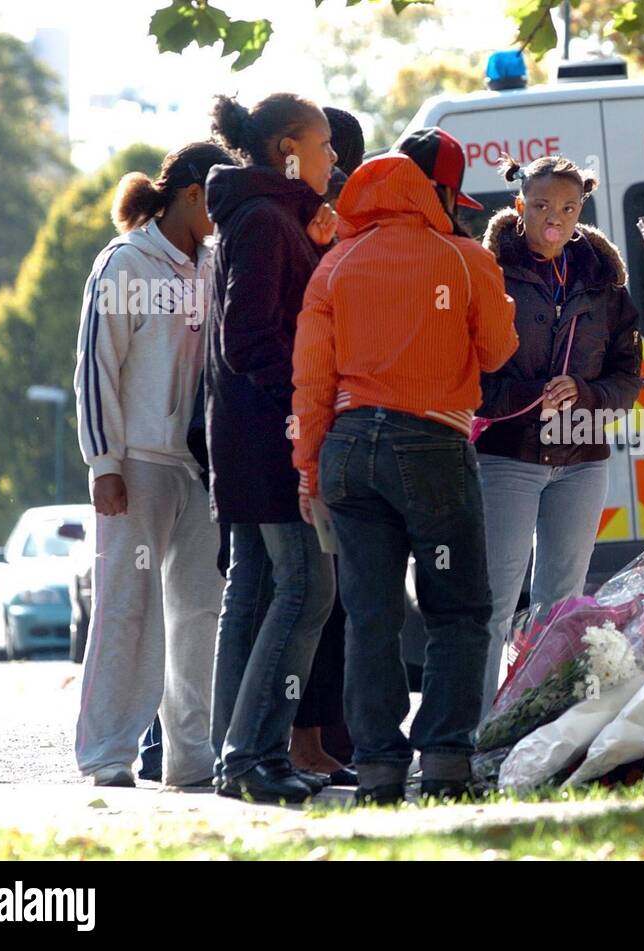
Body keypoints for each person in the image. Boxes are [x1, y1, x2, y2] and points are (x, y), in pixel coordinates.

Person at [292, 127, 518, 805]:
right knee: (457, 610)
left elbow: (310, 380)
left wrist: (308, 471)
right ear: (440, 191)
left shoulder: (334, 263)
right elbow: (502, 350)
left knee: (370, 615)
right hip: (429, 450)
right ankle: (446, 761)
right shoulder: (462, 258)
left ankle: (380, 769)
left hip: (348, 453)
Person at [73, 142, 234, 788]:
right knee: (126, 604)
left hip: (198, 467)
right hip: (134, 464)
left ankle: (188, 757)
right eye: (216, 201)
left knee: (199, 608)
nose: (221, 216)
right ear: (192, 194)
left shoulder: (213, 263)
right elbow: (95, 367)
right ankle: (107, 751)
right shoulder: (125, 262)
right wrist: (102, 462)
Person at [206, 92, 339, 804]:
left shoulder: (266, 215)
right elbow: (248, 335)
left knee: (254, 587)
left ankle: (235, 752)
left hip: (250, 433)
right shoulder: (261, 220)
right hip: (269, 436)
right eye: (324, 146)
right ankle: (249, 754)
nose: (334, 159)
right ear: (289, 148)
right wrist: (307, 392)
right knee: (308, 585)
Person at [475, 154, 643, 716]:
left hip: (583, 456)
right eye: (543, 205)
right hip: (507, 456)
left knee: (560, 606)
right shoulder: (487, 271)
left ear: (581, 210)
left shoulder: (605, 284)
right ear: (520, 206)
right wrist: (528, 395)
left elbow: (627, 377)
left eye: (569, 208)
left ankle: (537, 721)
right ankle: (471, 733)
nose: (556, 217)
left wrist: (587, 394)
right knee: (495, 602)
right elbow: (471, 371)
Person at [290, 106, 366, 785]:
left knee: (333, 599)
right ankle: (315, 736)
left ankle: (331, 734)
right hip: (328, 435)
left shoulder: (334, 227)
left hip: (333, 435)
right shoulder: (314, 227)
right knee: (321, 598)